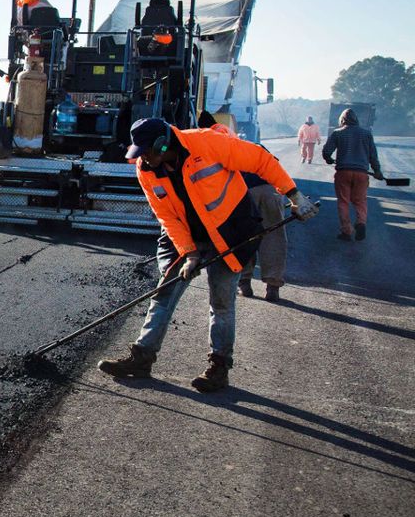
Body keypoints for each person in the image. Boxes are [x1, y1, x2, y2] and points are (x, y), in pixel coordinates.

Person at [98, 118, 317, 392]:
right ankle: (142, 357)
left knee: (222, 300)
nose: (143, 159)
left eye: (147, 152)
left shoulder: (207, 142)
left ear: (163, 144)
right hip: (187, 234)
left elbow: (261, 159)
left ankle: (219, 367)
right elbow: (166, 216)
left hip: (230, 230)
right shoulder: (146, 170)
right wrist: (189, 254)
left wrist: (295, 195)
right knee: (165, 293)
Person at [196, 111, 289, 302]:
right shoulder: (250, 144)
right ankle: (273, 286)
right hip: (271, 189)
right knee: (274, 236)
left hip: (247, 192)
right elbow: (274, 165)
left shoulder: (214, 146)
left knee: (244, 236)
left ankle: (244, 283)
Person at [323, 107, 384, 241]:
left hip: (343, 172)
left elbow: (327, 151)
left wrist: (328, 159)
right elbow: (373, 155)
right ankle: (361, 222)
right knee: (360, 201)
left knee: (343, 201)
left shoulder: (337, 133)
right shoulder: (366, 134)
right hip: (361, 173)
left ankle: (346, 231)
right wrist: (377, 171)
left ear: (342, 120)